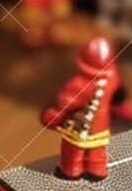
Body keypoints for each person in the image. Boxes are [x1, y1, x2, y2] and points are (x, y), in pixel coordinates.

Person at [42, 36, 123, 180]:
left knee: (72, 151)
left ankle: (70, 170)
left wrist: (52, 115)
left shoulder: (79, 84)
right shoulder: (113, 78)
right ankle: (97, 170)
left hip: (80, 127)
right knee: (97, 149)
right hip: (101, 126)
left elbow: (66, 103)